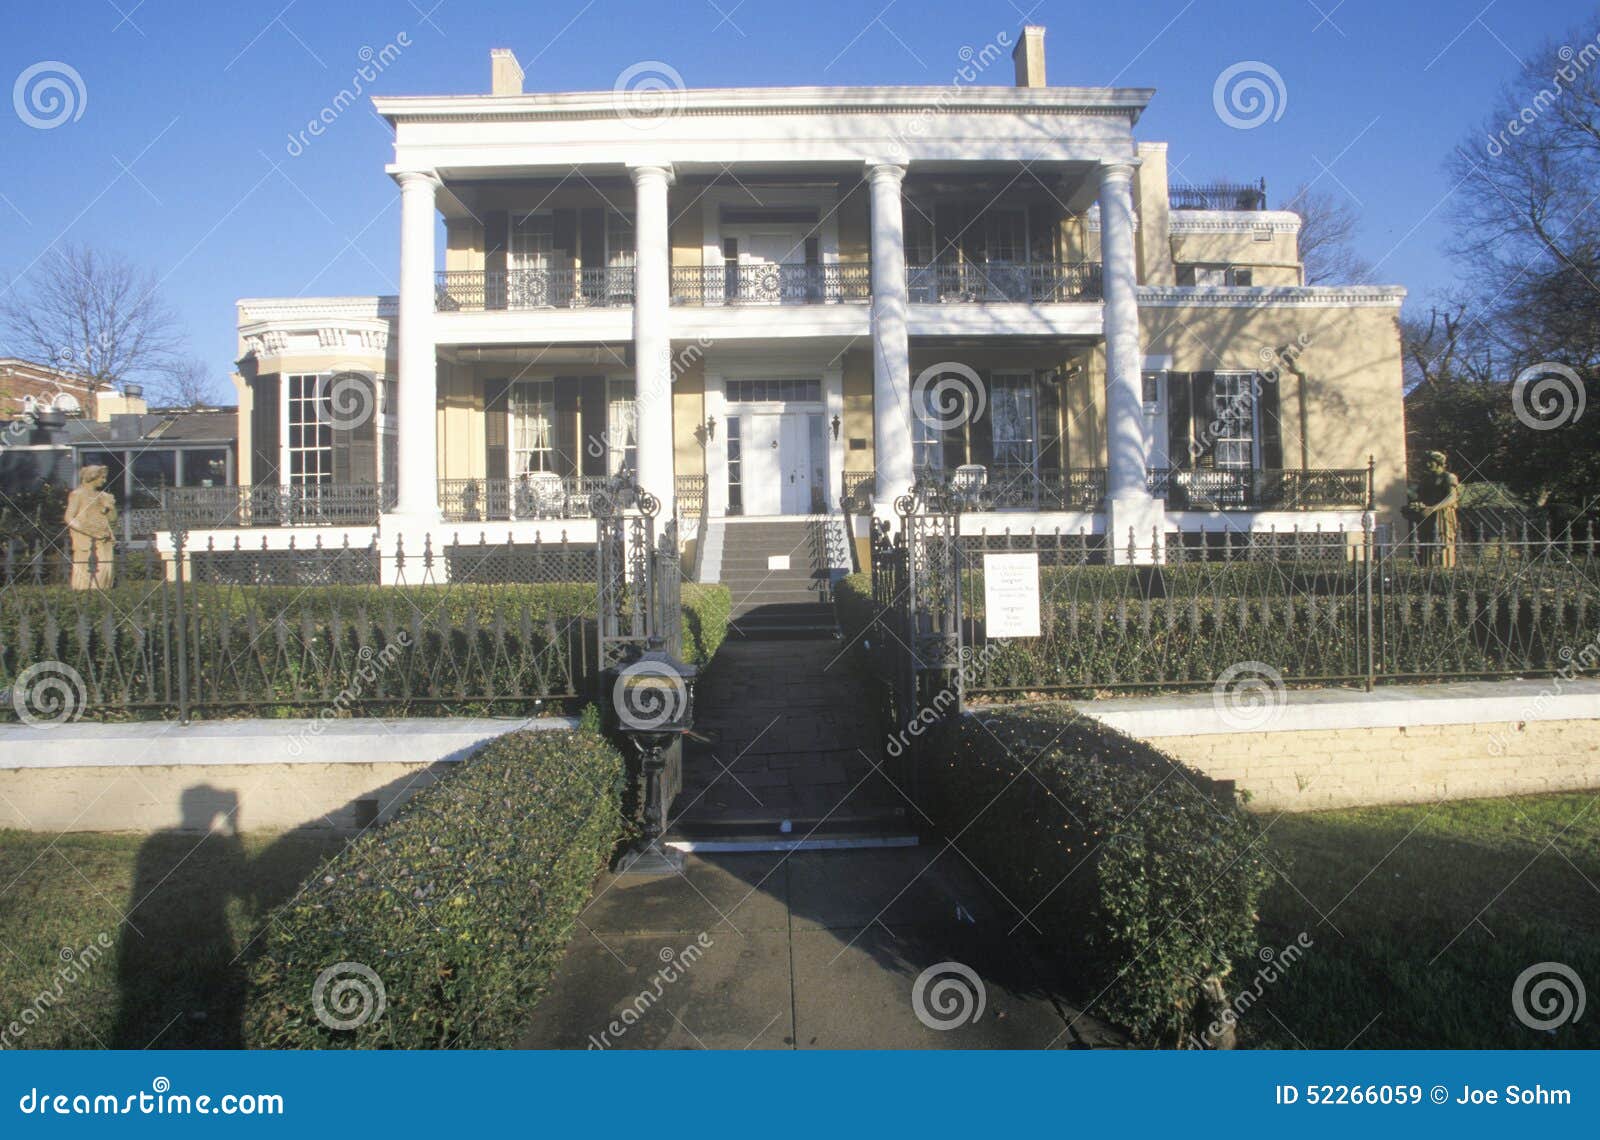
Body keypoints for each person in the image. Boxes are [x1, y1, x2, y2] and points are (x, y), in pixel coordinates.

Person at [64, 465, 117, 589]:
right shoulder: (78, 494)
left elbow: (113, 519)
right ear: (92, 477)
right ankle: (85, 595)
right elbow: (69, 518)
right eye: (102, 477)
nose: (104, 481)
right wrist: (89, 531)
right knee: (87, 570)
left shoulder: (103, 495)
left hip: (104, 536)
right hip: (86, 538)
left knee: (105, 569)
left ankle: (102, 593)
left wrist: (110, 507)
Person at [1410, 450, 1461, 568]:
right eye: (1426, 462)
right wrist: (1417, 505)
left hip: (1442, 515)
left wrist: (1433, 508)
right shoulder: (1426, 479)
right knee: (1427, 546)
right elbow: (1419, 496)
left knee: (1443, 544)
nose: (1427, 465)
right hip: (1428, 515)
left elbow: (1452, 498)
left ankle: (1445, 572)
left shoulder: (1448, 477)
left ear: (1439, 463)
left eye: (1430, 462)